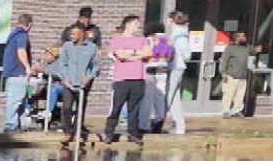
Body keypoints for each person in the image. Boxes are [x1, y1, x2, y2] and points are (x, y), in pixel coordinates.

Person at [45, 27, 98, 148]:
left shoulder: (91, 48)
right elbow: (63, 63)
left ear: (82, 34)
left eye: (75, 33)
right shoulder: (67, 47)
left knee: (80, 108)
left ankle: (78, 132)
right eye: (71, 34)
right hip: (69, 82)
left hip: (83, 83)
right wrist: (65, 78)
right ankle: (68, 132)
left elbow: (96, 65)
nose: (72, 36)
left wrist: (89, 77)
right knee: (67, 107)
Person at [104, 14, 152, 144]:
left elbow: (148, 53)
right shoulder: (118, 39)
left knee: (134, 108)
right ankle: (109, 132)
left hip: (138, 78)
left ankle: (133, 133)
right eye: (136, 24)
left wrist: (131, 52)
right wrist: (137, 54)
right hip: (122, 79)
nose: (138, 26)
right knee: (117, 107)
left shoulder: (142, 40)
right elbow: (121, 55)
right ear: (128, 24)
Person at [161, 11, 193, 134]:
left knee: (169, 96)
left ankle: (161, 121)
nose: (167, 22)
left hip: (176, 67)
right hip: (174, 67)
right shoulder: (178, 33)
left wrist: (174, 57)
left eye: (168, 19)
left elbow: (186, 54)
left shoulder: (179, 35)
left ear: (172, 20)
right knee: (174, 98)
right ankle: (180, 126)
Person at [1, 13, 33, 132]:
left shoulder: (13, 34)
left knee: (17, 101)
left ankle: (17, 124)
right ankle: (11, 126)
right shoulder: (22, 36)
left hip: (11, 73)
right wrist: (27, 67)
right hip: (18, 73)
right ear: (29, 24)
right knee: (15, 101)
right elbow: (21, 51)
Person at [220, 30, 253, 117]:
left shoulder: (246, 48)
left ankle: (237, 111)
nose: (244, 38)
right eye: (242, 36)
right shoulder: (230, 48)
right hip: (231, 76)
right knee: (228, 94)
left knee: (240, 96)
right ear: (237, 37)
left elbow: (254, 51)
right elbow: (224, 61)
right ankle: (226, 111)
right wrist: (223, 73)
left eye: (245, 36)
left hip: (242, 76)